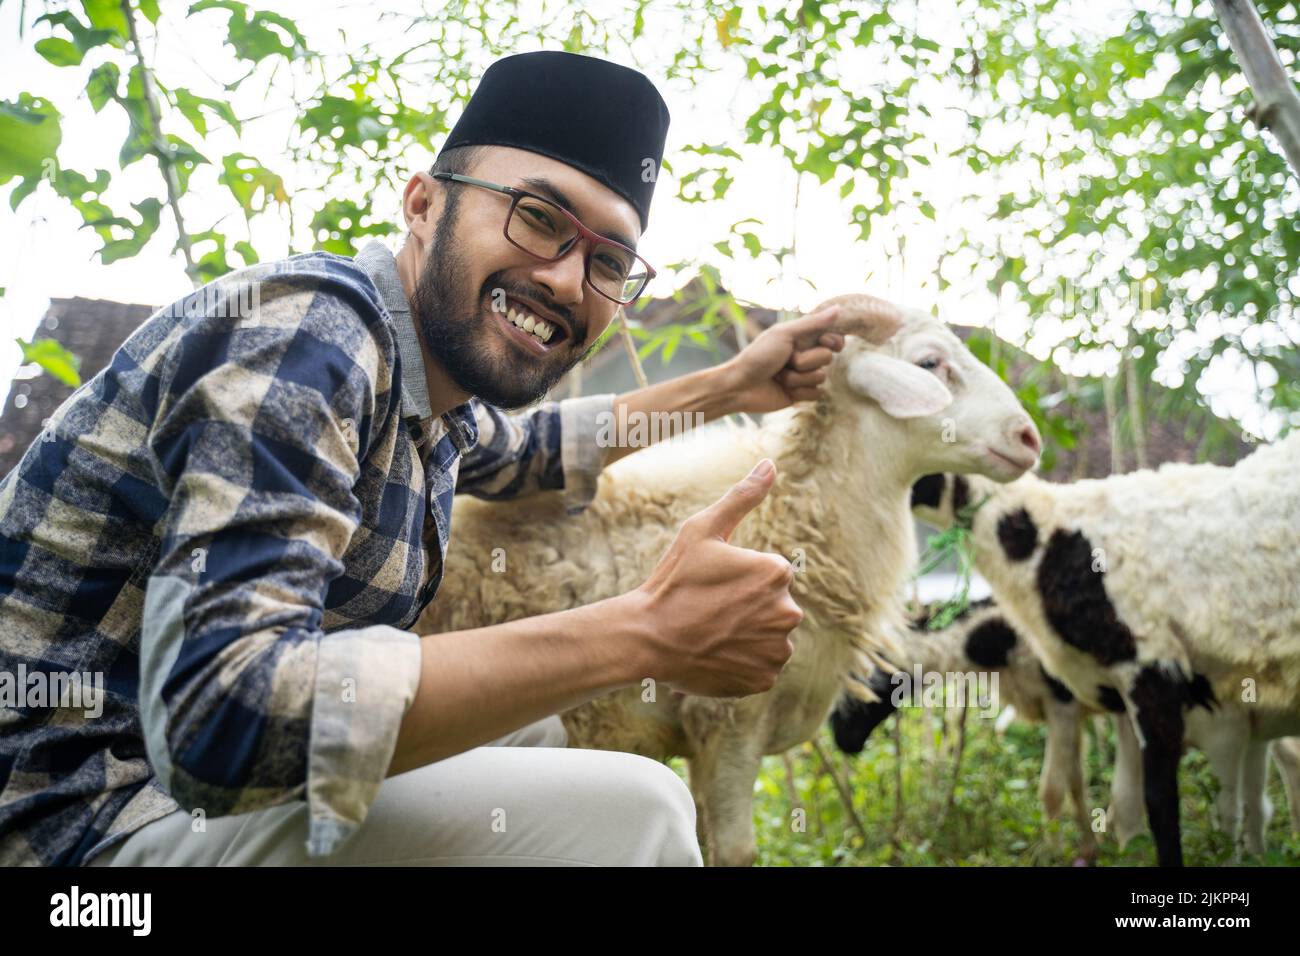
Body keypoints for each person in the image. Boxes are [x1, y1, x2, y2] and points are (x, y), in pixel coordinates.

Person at [0, 50, 848, 867]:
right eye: (539, 217)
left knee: (541, 735)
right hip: (79, 817)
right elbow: (226, 717)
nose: (564, 279)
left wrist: (735, 385)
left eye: (608, 262)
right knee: (646, 814)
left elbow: (538, 452)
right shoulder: (311, 334)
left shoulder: (432, 399)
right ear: (423, 204)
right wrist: (644, 631)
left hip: (178, 795)